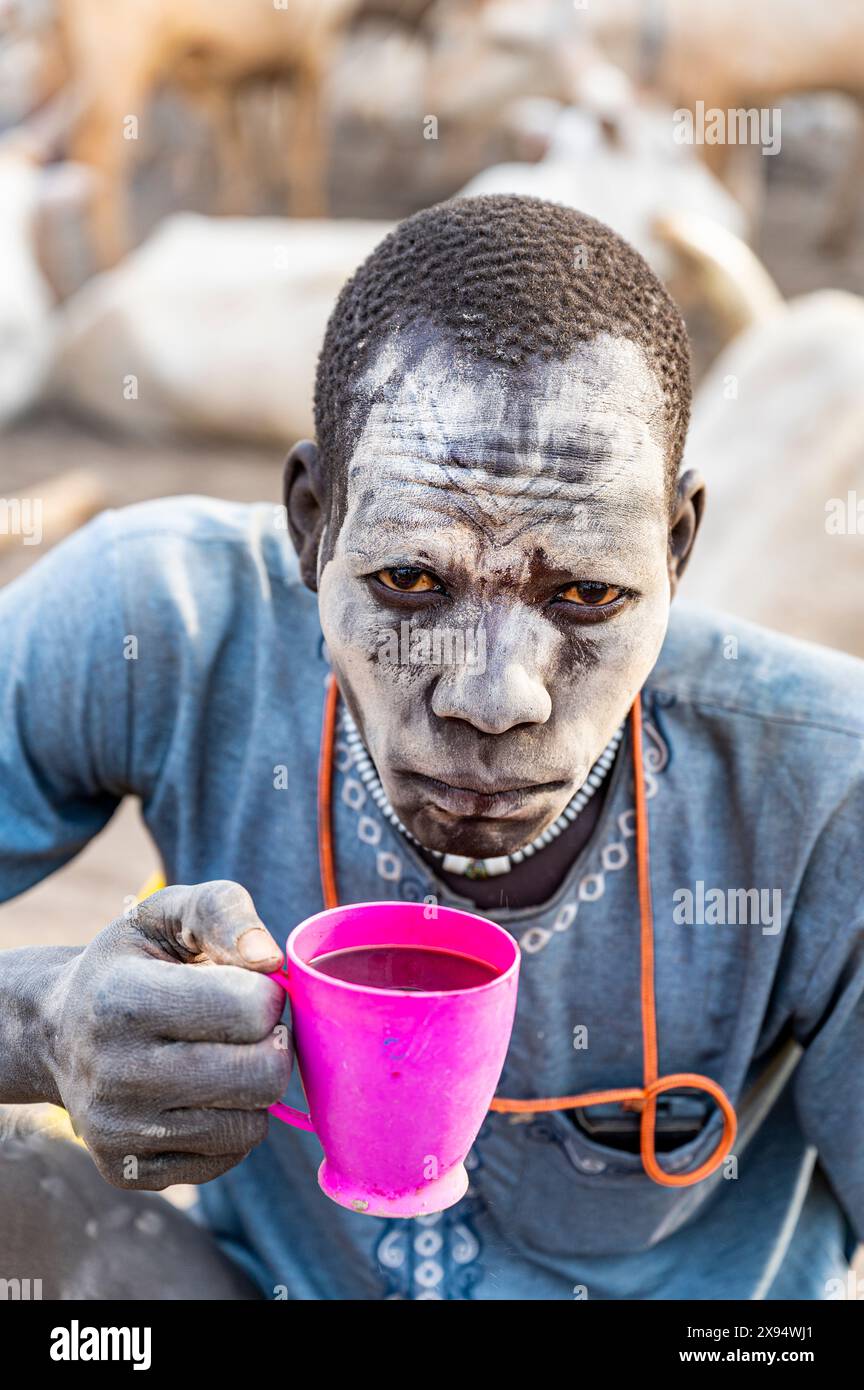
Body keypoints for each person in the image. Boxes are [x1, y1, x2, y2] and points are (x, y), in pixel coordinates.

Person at [0, 196, 861, 1301]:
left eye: (588, 595)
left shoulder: (830, 784)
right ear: (312, 524)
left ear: (679, 543)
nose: (494, 695)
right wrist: (42, 1021)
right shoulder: (159, 618)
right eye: (412, 582)